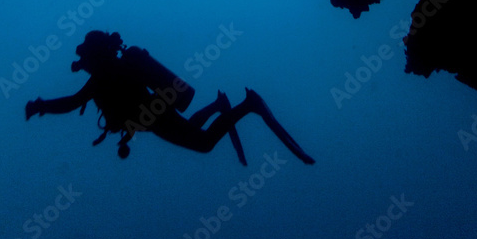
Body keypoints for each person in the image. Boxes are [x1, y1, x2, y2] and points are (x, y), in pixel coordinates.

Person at [25, 30, 314, 165]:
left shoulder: (103, 76)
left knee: (203, 143)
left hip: (152, 117)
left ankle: (249, 105)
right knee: (193, 131)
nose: (83, 62)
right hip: (153, 113)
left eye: (85, 55)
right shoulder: (111, 70)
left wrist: (41, 106)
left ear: (94, 55)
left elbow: (72, 102)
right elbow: (76, 101)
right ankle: (219, 106)